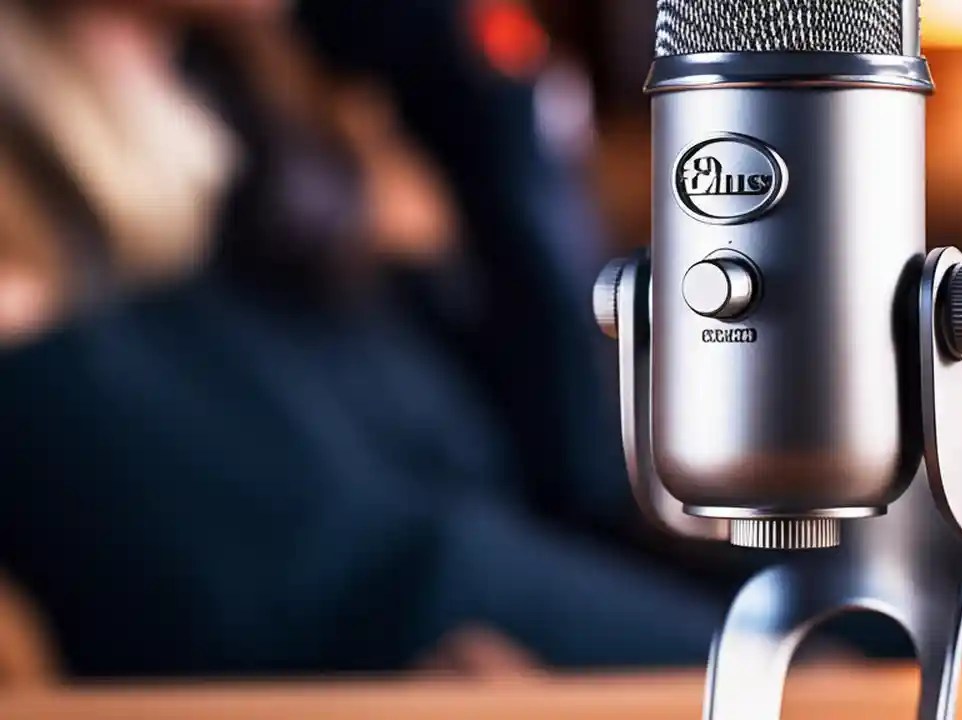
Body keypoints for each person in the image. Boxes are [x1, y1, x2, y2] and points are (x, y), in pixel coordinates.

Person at [0, 0, 724, 677]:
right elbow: (392, 574)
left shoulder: (264, 143)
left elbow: (569, 469)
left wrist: (481, 83)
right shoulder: (45, 230)